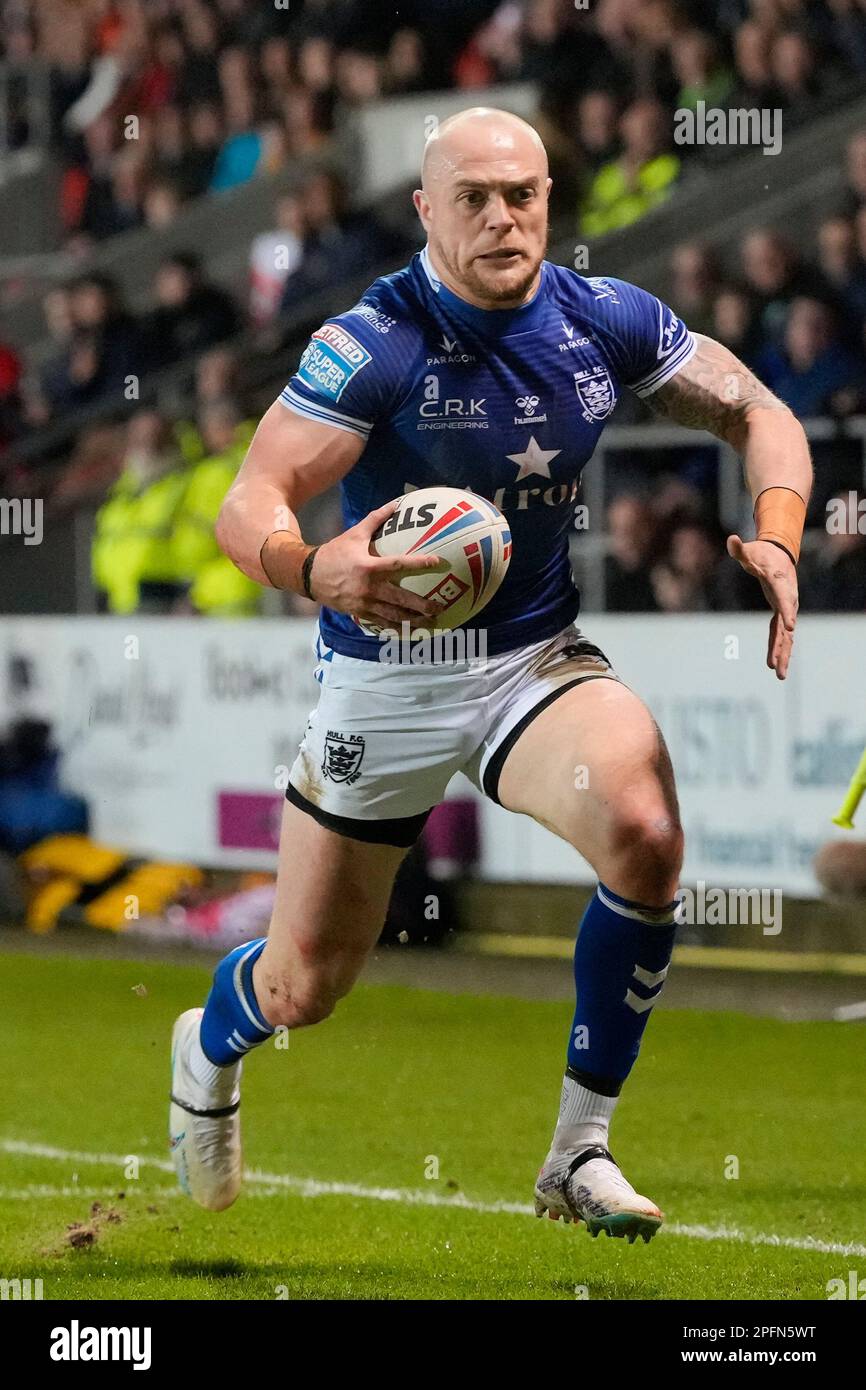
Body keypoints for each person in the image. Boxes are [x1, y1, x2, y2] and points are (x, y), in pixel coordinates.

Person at [168, 107, 811, 1240]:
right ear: (425, 209)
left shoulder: (602, 317)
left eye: (523, 193)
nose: (503, 215)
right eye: (473, 197)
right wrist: (313, 564)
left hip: (531, 660)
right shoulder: (375, 340)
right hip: (385, 675)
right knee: (303, 988)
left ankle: (577, 1153)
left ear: (549, 200)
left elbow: (755, 406)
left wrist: (775, 528)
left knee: (645, 832)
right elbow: (246, 500)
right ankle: (207, 1042)